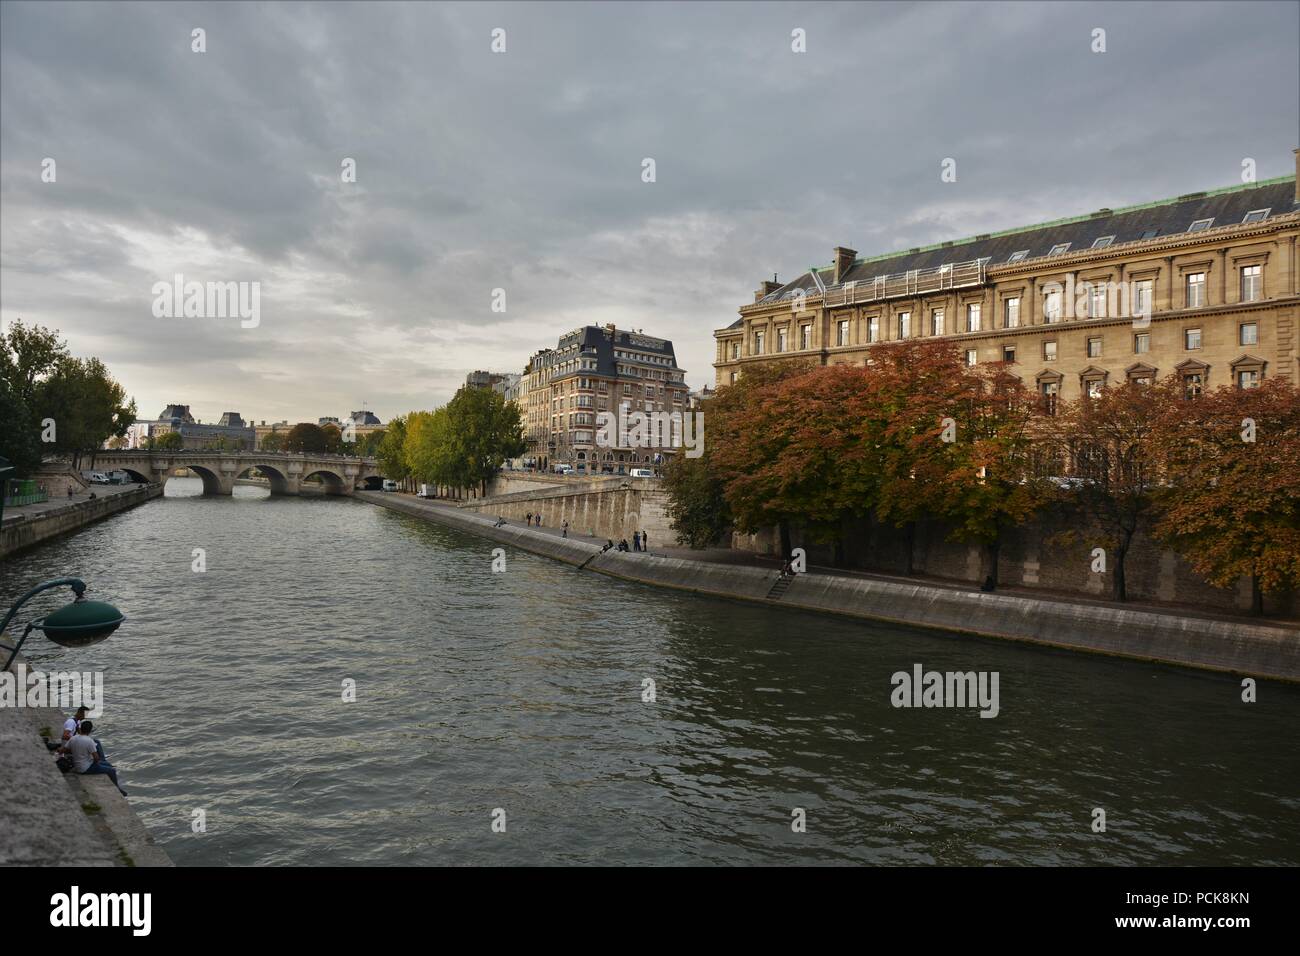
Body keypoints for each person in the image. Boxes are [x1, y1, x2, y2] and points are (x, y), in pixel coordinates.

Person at [68, 720, 126, 796]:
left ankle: (116, 785)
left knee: (107, 764)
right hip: (85, 768)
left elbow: (64, 750)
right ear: (90, 730)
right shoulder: (89, 740)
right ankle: (117, 789)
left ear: (81, 728)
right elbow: (96, 758)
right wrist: (96, 763)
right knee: (112, 770)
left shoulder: (73, 738)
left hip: (78, 765)